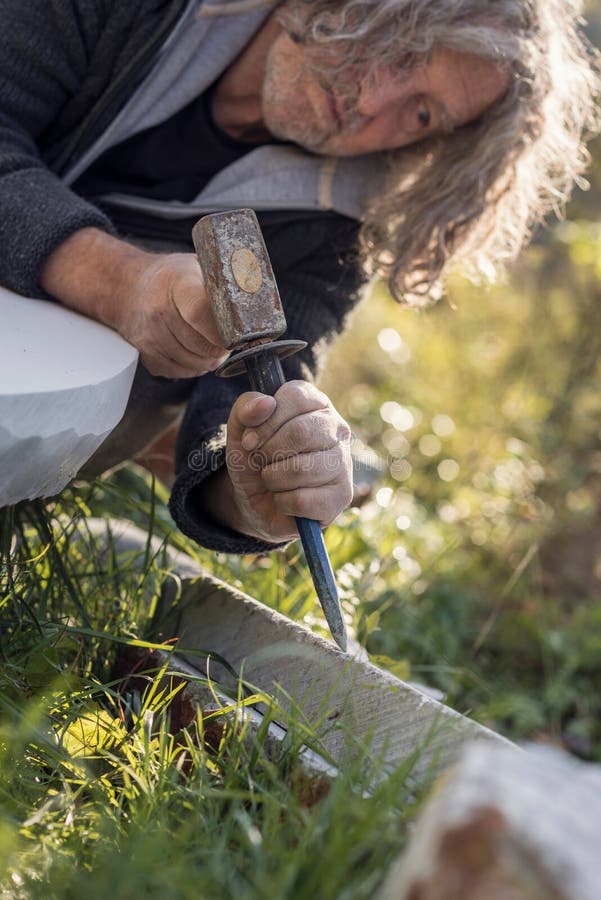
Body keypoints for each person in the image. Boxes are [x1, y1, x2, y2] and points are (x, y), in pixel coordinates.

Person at [0, 0, 598, 553]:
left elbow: (242, 412)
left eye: (421, 112)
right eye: (399, 44)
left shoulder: (337, 224)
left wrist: (265, 493)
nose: (370, 103)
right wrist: (121, 282)